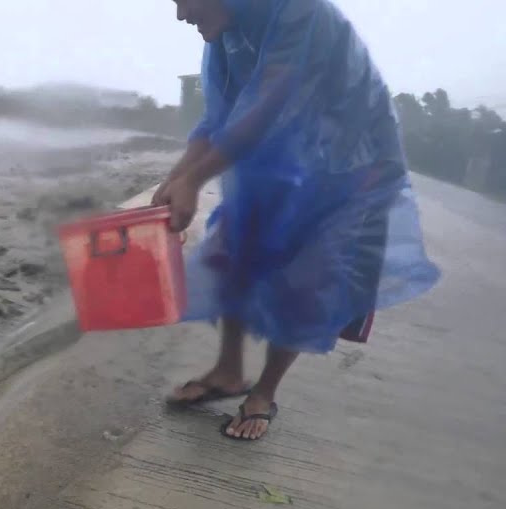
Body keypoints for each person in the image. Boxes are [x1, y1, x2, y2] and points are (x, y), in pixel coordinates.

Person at [156, 0, 440, 440]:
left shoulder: (298, 11)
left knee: (308, 277)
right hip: (276, 157)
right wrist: (178, 177)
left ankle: (264, 393)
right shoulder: (226, 36)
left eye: (181, 0)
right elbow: (217, 119)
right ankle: (228, 372)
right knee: (235, 250)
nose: (179, 15)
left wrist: (195, 179)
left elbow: (269, 103)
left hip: (350, 163)